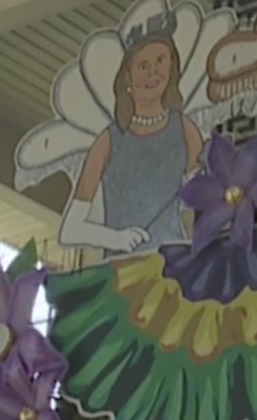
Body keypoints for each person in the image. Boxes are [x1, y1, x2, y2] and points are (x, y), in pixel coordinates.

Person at [57, 14, 206, 253]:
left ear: (172, 68)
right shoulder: (108, 142)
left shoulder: (185, 131)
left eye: (160, 61)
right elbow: (70, 230)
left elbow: (203, 200)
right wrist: (115, 239)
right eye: (143, 66)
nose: (153, 73)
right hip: (121, 271)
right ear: (127, 77)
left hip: (174, 264)